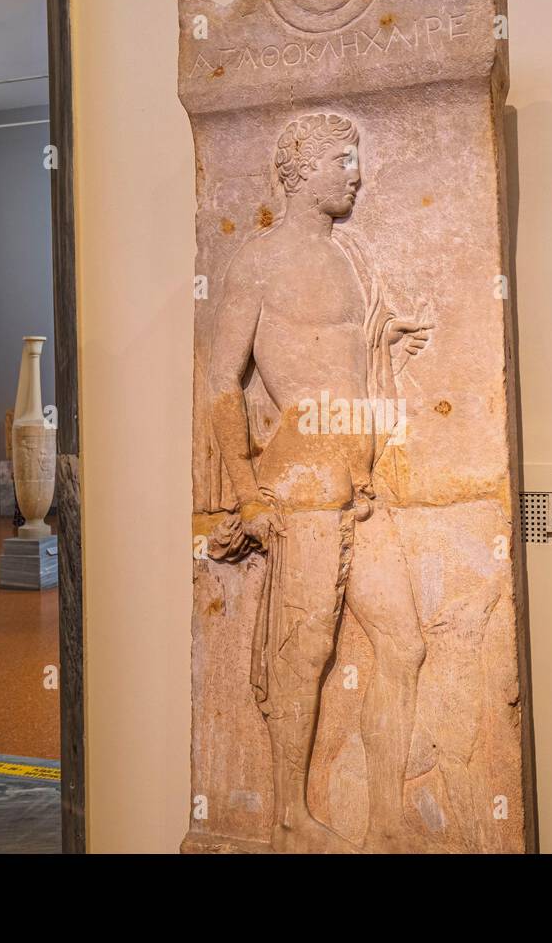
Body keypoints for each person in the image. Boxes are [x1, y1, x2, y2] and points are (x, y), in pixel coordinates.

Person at [206, 114, 433, 852]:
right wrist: (245, 489)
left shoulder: (352, 256)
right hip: (301, 480)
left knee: (402, 642)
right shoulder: (259, 262)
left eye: (359, 158)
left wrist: (387, 340)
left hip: (355, 476)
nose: (358, 174)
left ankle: (391, 819)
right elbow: (220, 382)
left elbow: (348, 351)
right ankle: (288, 816)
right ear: (302, 169)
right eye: (345, 159)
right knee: (304, 654)